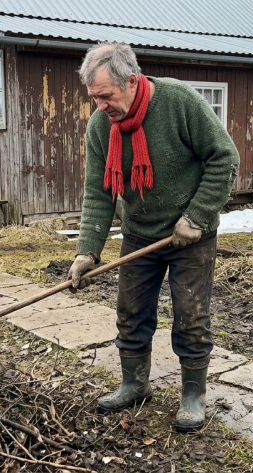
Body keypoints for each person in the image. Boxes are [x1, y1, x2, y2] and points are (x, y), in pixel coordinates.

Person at [68, 42, 240, 432]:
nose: (100, 106)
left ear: (131, 81)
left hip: (191, 235)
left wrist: (196, 216)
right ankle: (134, 384)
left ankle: (193, 396)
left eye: (106, 96)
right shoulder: (101, 127)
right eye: (94, 98)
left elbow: (224, 157)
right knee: (130, 313)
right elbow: (97, 191)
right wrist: (87, 252)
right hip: (140, 235)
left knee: (191, 317)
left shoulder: (178, 101)